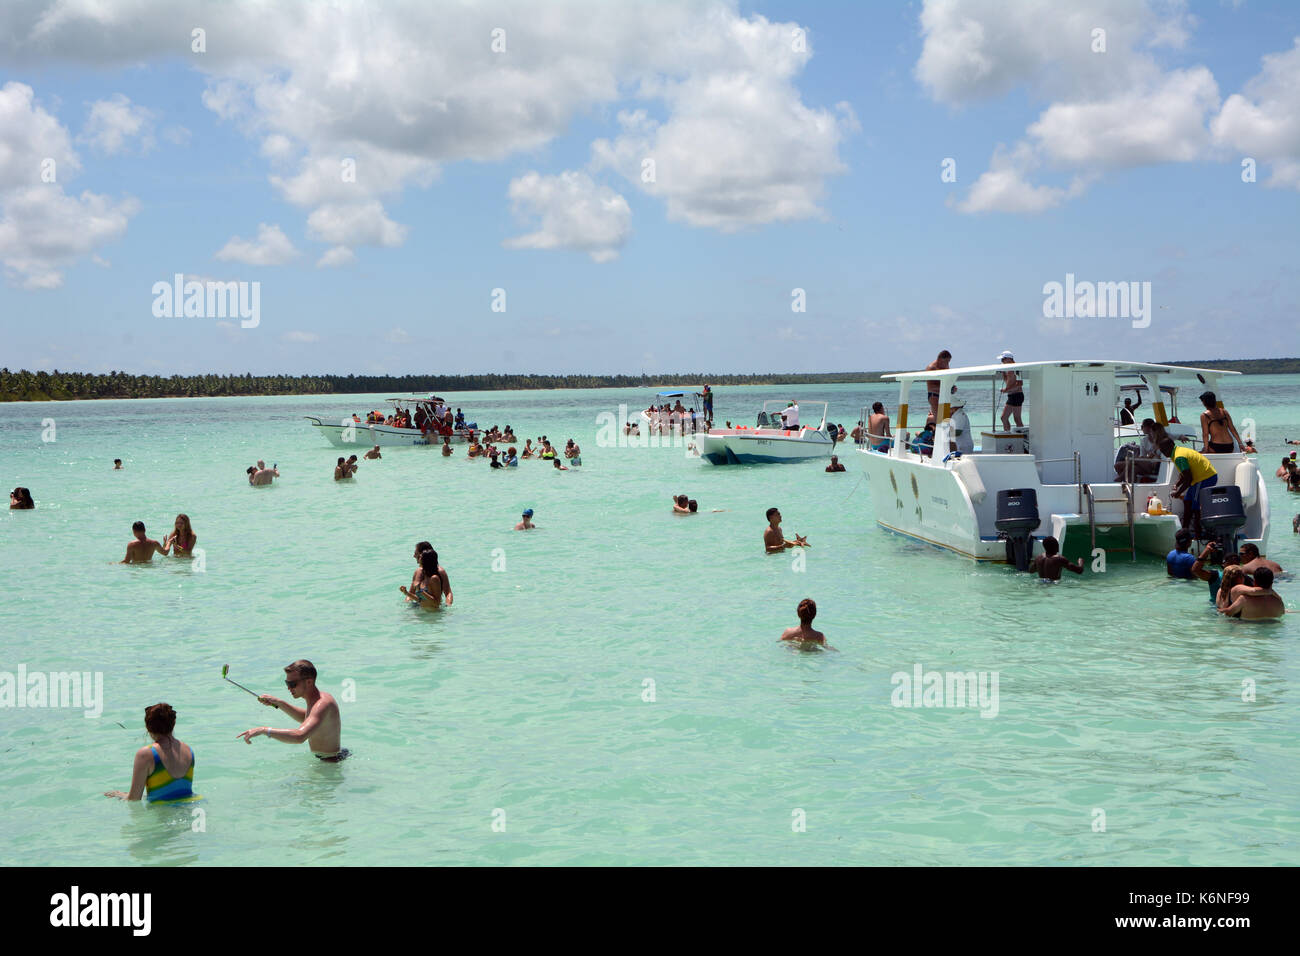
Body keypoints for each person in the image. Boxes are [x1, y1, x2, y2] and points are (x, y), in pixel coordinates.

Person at [239, 660, 347, 761]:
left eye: (292, 684)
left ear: (309, 682)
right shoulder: (318, 700)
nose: (289, 688)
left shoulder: (322, 704)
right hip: (328, 759)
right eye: (287, 683)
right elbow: (308, 718)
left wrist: (264, 730)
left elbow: (300, 736)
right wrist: (279, 703)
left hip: (330, 765)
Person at [105, 703, 197, 802]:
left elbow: (134, 799)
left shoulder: (145, 754)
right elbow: (175, 793)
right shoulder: (188, 749)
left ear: (148, 727)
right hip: (191, 807)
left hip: (164, 815)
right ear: (173, 723)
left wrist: (122, 795)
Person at [1159, 437, 1217, 535]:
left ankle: (1198, 533)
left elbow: (1188, 478)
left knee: (1195, 506)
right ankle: (1184, 529)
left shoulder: (1179, 457)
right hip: (1198, 479)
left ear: (1170, 446)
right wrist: (1176, 485)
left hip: (1206, 477)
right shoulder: (1177, 452)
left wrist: (1178, 492)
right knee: (1187, 501)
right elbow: (1184, 473)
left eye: (1163, 450)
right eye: (1161, 450)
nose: (1163, 452)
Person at [1219, 567, 1285, 620]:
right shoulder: (1279, 602)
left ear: (1255, 582)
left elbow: (1228, 614)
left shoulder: (1244, 599)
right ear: (1272, 582)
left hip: (1249, 634)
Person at [998, 351, 1024, 429]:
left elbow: (1020, 384)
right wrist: (1003, 373)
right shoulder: (1007, 369)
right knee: (1004, 418)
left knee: (1017, 418)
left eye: (1003, 360)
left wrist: (1006, 390)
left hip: (1017, 395)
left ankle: (1022, 438)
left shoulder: (1017, 368)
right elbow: (1007, 381)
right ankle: (1008, 435)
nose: (1002, 362)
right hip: (1011, 395)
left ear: (1008, 359)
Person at [924, 350, 951, 418]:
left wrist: (952, 387)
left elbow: (947, 380)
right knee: (939, 419)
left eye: (949, 361)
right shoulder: (931, 368)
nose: (948, 363)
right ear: (940, 359)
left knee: (946, 418)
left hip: (943, 395)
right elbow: (932, 386)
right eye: (947, 361)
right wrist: (947, 388)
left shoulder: (945, 366)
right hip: (934, 396)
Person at [948, 389, 973, 455]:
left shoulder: (960, 415)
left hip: (964, 446)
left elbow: (958, 432)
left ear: (953, 407)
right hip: (961, 445)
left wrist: (944, 434)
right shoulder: (955, 415)